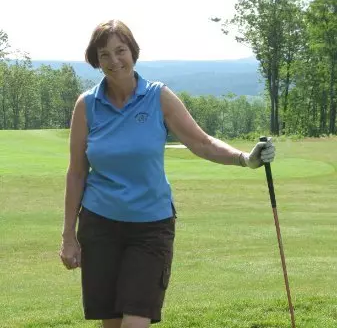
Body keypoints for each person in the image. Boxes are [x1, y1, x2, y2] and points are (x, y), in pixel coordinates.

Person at [59, 19, 275, 328]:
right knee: (112, 324)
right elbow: (77, 173)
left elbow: (202, 142)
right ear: (96, 60)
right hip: (99, 227)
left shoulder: (158, 97)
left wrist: (246, 159)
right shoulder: (87, 105)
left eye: (120, 51)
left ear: (133, 52)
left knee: (135, 323)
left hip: (150, 228)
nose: (114, 60)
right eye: (104, 54)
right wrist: (68, 235)